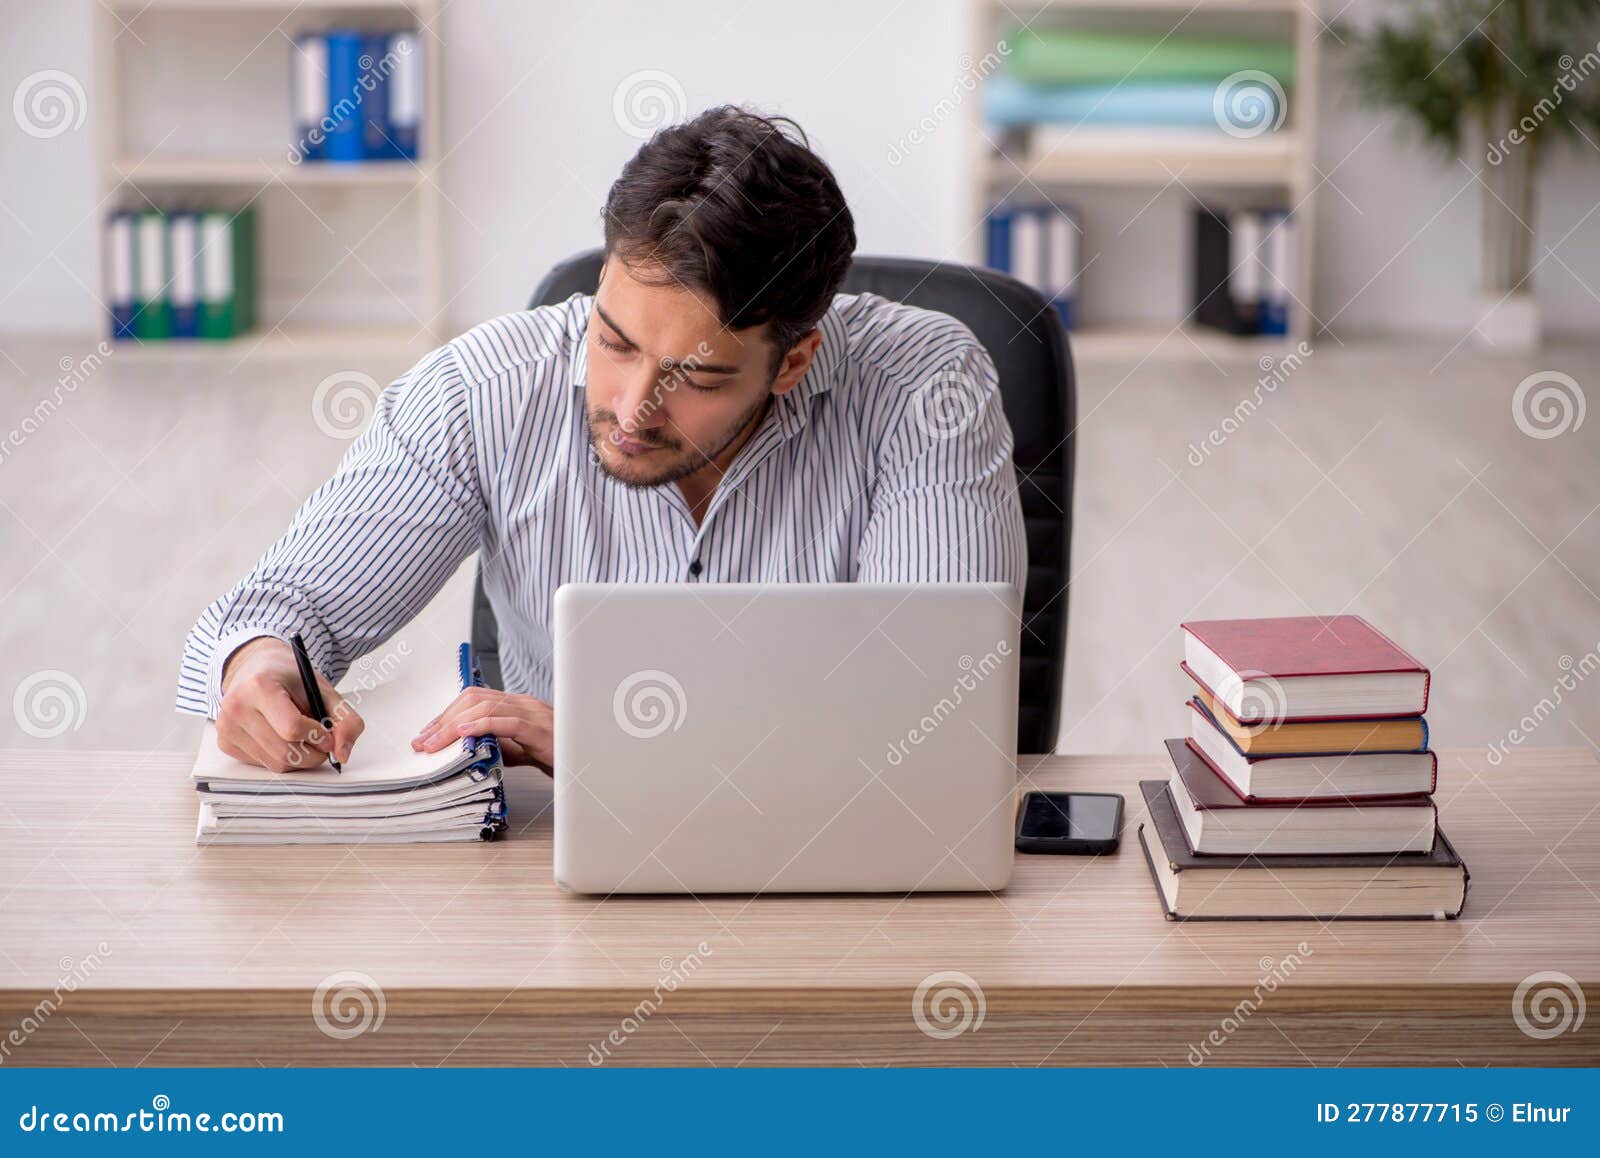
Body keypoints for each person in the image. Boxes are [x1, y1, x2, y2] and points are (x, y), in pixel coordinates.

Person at [175, 105, 1026, 772]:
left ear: (793, 361)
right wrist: (256, 666)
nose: (631, 407)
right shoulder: (484, 391)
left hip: (843, 870)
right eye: (614, 342)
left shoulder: (926, 387)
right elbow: (282, 609)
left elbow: (934, 708)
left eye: (695, 376)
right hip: (557, 868)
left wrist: (619, 748)